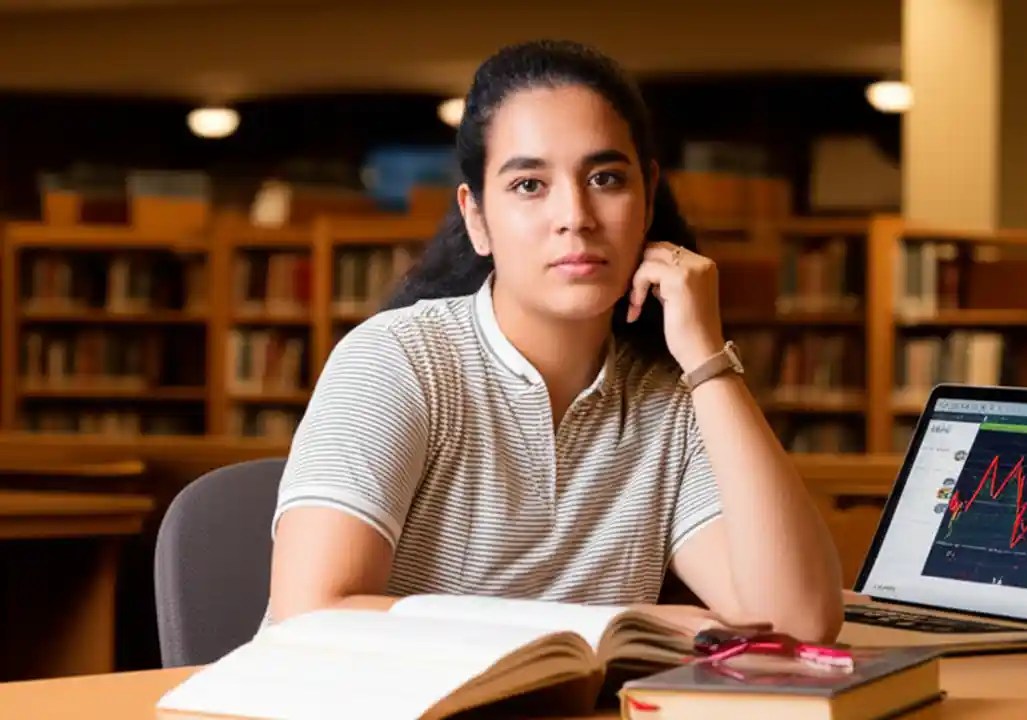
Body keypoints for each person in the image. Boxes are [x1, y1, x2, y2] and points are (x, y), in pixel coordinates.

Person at [266, 38, 845, 643]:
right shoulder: (398, 360)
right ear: (477, 218)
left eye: (605, 178)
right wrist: (622, 626)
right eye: (528, 185)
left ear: (646, 200)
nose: (575, 214)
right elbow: (312, 616)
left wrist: (708, 361)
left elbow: (798, 623)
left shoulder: (674, 396)